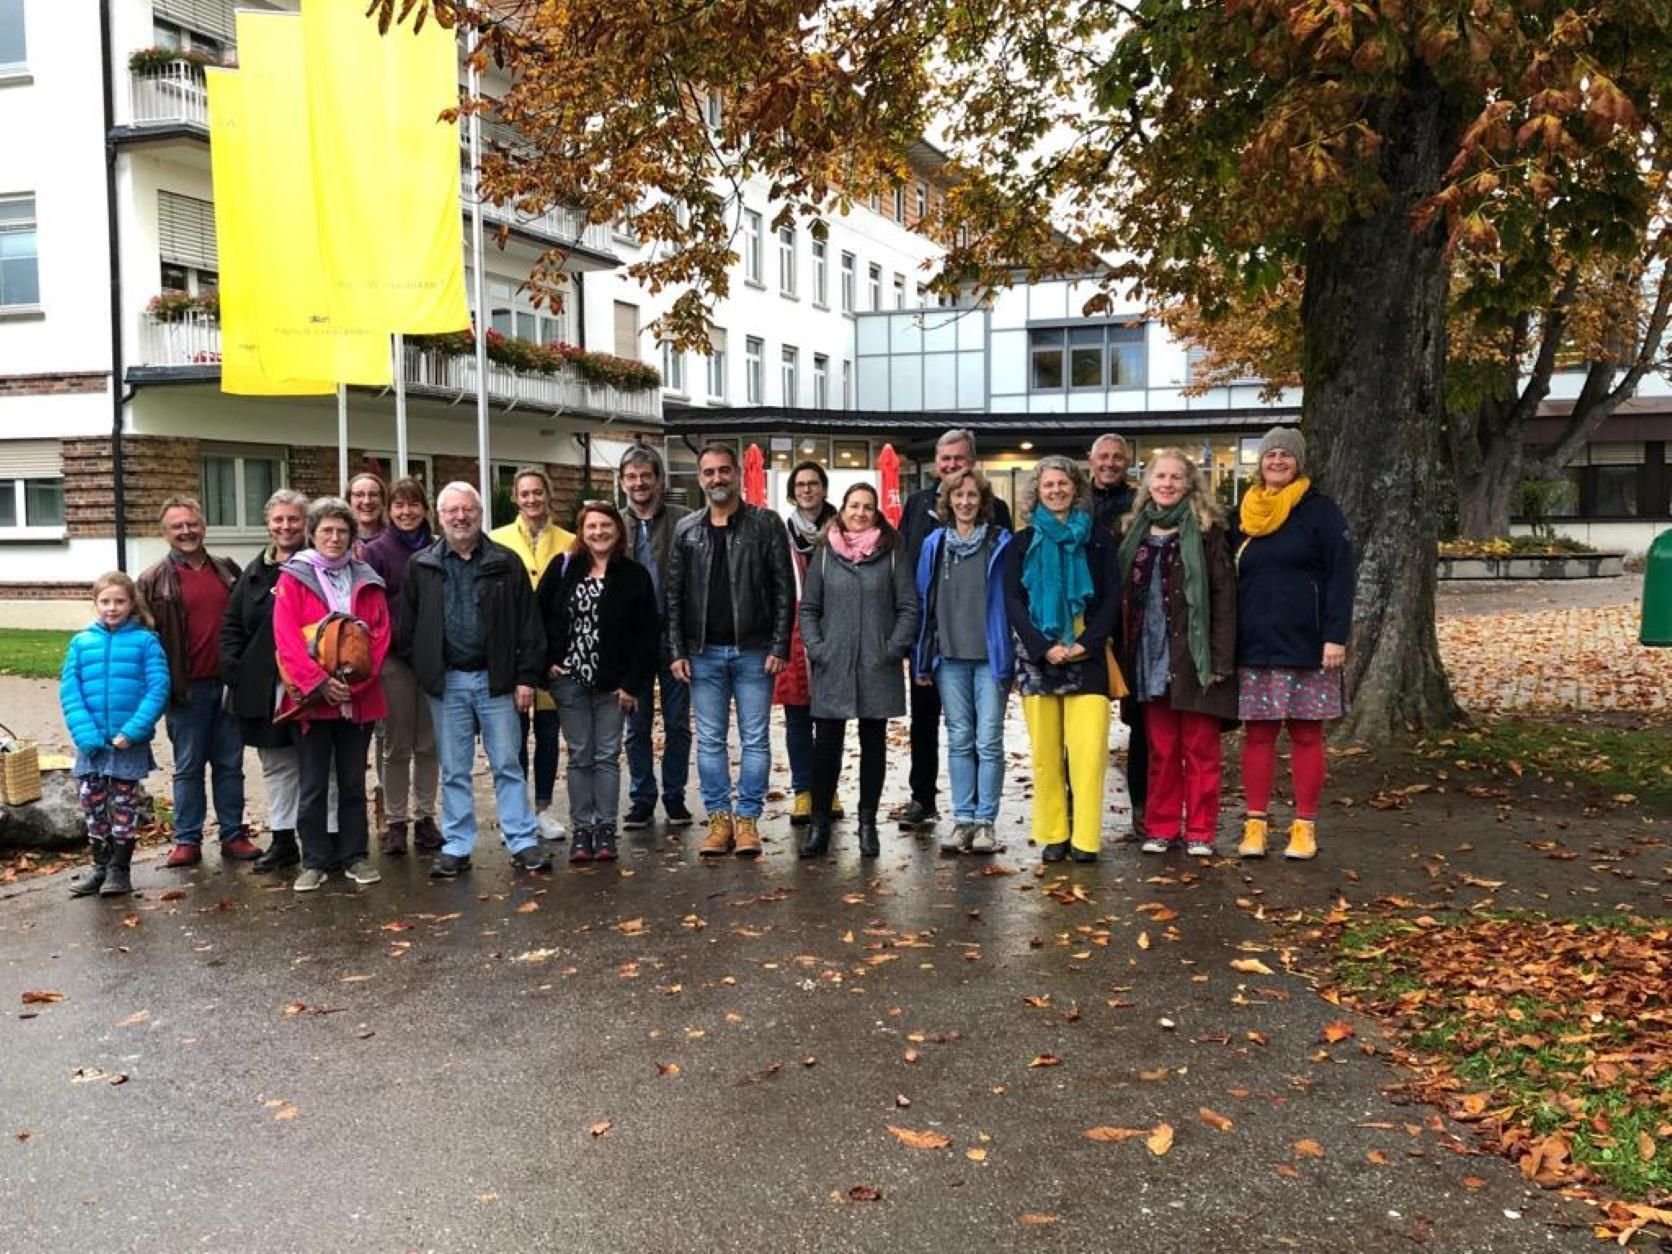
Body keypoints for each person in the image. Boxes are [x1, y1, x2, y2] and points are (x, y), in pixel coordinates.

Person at [399, 482, 552, 876]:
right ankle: (456, 844)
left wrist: (526, 677)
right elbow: (407, 627)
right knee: (454, 769)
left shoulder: (505, 561)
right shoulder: (422, 565)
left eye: (467, 509)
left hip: (497, 681)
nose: (460, 517)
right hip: (447, 684)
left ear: (480, 514)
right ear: (440, 516)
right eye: (452, 511)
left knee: (507, 764)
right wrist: (427, 669)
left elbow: (529, 625)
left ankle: (522, 840)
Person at [664, 443, 794, 858]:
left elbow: (783, 589)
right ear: (699, 478)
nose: (717, 479)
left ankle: (748, 821)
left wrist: (779, 643)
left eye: (724, 471)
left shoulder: (765, 524)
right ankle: (719, 820)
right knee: (710, 741)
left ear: (737, 473)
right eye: (709, 472)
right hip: (702, 653)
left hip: (754, 650)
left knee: (755, 740)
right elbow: (674, 596)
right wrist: (677, 649)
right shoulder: (686, 529)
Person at [1232, 427, 1354, 861]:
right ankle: (1255, 825)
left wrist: (1335, 636)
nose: (1278, 461)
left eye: (1286, 455)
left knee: (1306, 734)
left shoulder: (1320, 511)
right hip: (1256, 642)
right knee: (1258, 736)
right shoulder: (1242, 513)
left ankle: (1304, 827)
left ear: (1299, 462)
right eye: (1270, 455)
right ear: (1259, 463)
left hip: (1309, 643)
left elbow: (1342, 576)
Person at [1117, 448, 1238, 857]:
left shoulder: (1207, 532)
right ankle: (1162, 826)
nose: (1167, 484)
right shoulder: (1134, 531)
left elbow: (1223, 598)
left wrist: (1221, 658)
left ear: (1190, 485)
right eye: (1160, 476)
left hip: (1196, 658)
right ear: (1148, 483)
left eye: (1175, 478)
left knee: (1200, 750)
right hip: (1149, 656)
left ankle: (1200, 830)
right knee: (1162, 751)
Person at [1003, 457, 1121, 863]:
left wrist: (1087, 642)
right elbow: (1012, 601)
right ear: (1036, 490)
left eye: (1063, 483)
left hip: (1086, 656)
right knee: (1046, 756)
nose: (1055, 490)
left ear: (1076, 488)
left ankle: (1086, 839)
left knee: (1088, 755)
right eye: (1047, 485)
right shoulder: (1021, 542)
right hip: (1039, 659)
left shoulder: (1099, 539)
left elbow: (1111, 599)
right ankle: (1054, 834)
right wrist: (1041, 646)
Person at [273, 497, 392, 891]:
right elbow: (286, 638)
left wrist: (354, 684)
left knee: (354, 782)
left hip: (359, 700)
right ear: (313, 534)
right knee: (313, 785)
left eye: (342, 531)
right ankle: (314, 860)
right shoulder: (294, 578)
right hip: (312, 701)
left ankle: (355, 856)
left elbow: (379, 636)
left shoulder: (367, 579)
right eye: (327, 530)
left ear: (352, 536)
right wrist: (320, 683)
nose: (335, 538)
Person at [136, 496, 262, 867]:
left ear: (203, 526)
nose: (186, 531)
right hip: (185, 690)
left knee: (230, 764)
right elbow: (143, 640)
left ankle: (233, 834)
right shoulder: (152, 580)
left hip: (228, 686)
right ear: (165, 533)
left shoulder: (228, 571)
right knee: (188, 767)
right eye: (177, 526)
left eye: (192, 524)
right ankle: (187, 839)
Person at [898, 429, 1013, 830]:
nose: (949, 465)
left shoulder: (995, 510)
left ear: (972, 461)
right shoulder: (916, 506)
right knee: (927, 723)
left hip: (984, 642)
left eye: (957, 458)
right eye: (943, 458)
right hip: (934, 639)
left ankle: (982, 810)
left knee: (984, 731)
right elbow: (904, 569)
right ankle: (923, 797)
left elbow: (1006, 578)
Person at [798, 484, 919, 859]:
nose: (861, 513)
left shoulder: (892, 551)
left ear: (877, 512)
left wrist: (893, 647)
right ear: (843, 509)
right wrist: (817, 649)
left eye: (868, 507)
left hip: (876, 663)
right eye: (854, 506)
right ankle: (820, 825)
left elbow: (908, 606)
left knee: (873, 744)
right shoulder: (824, 551)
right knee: (826, 746)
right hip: (833, 663)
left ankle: (867, 824)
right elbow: (809, 608)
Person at [536, 501, 658, 863]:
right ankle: (582, 830)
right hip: (569, 680)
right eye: (591, 527)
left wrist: (633, 684)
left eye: (606, 526)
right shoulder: (563, 568)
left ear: (618, 531)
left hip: (614, 685)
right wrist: (547, 664)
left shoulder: (634, 575)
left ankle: (605, 830)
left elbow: (647, 635)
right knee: (580, 756)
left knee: (606, 756)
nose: (599, 532)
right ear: (581, 531)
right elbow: (537, 616)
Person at [60, 572, 171, 898]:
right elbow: (70, 690)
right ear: (95, 604)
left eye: (119, 601)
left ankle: (120, 871)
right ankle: (100, 867)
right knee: (91, 802)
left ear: (131, 603)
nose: (112, 608)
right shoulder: (81, 643)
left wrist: (133, 731)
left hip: (126, 743)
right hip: (91, 742)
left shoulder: (146, 642)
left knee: (123, 804)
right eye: (105, 601)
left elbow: (157, 689)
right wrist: (84, 733)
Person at [219, 488, 312, 874]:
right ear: (268, 523)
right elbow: (232, 626)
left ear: (305, 523)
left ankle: (327, 839)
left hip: (310, 686)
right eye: (278, 519)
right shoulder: (254, 573)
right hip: (264, 688)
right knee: (277, 766)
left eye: (293, 519)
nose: (285, 526)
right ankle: (284, 839)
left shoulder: (318, 566)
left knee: (321, 766)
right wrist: (236, 668)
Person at [489, 466, 575, 840]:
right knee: (514, 734)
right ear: (515, 499)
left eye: (537, 492)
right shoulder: (496, 539)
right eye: (524, 494)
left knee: (548, 730)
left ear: (548, 494)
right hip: (513, 651)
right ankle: (518, 808)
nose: (531, 500)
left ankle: (543, 807)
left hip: (554, 650)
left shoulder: (571, 541)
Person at [361, 477, 442, 856]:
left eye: (413, 504)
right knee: (396, 745)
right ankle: (396, 820)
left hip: (435, 659)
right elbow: (370, 607)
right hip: (393, 660)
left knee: (428, 743)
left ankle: (425, 816)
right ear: (389, 510)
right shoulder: (376, 551)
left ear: (425, 509)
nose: (406, 512)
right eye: (399, 505)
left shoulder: (438, 548)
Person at [617, 444, 693, 831]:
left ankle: (675, 797)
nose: (639, 483)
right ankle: (642, 799)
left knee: (678, 722)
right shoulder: (613, 525)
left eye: (646, 475)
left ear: (659, 481)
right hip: (632, 642)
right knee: (637, 724)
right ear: (622, 482)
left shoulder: (683, 522)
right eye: (631, 476)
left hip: (675, 637)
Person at [1089, 432, 1146, 835]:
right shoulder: (1075, 500)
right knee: (1080, 721)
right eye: (1102, 456)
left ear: (1126, 462)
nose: (1109, 462)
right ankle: (1075, 806)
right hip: (1082, 622)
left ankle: (1141, 808)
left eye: (1117, 457)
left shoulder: (1140, 504)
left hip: (1130, 622)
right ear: (1090, 460)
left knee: (1141, 722)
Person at [775, 459, 837, 828]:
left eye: (813, 483)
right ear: (793, 491)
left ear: (824, 489)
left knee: (830, 718)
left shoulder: (841, 530)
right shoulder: (781, 531)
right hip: (795, 630)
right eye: (800, 485)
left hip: (834, 630)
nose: (807, 490)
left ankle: (827, 789)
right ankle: (803, 790)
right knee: (797, 716)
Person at [347, 471, 388, 551]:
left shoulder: (395, 539)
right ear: (349, 501)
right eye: (359, 495)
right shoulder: (339, 539)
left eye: (373, 494)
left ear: (383, 500)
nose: (367, 501)